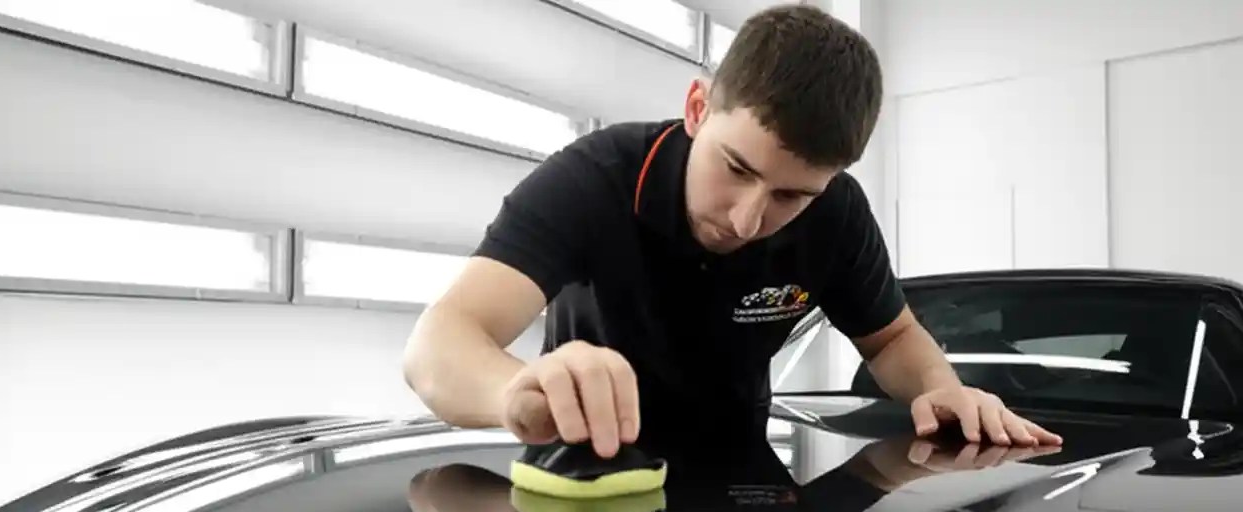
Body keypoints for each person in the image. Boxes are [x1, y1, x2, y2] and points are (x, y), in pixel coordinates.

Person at [403, 3, 1063, 460]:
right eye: (737, 167)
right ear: (697, 108)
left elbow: (890, 337)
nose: (749, 219)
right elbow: (440, 342)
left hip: (748, 480)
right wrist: (513, 392)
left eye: (790, 195)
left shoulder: (838, 213)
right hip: (590, 484)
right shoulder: (593, 178)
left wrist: (941, 390)